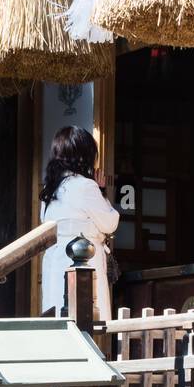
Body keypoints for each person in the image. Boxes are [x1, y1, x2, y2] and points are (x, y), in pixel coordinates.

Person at [39, 125, 119, 320]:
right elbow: (109, 223)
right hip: (82, 263)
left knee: (57, 314)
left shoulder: (50, 190)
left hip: (55, 259)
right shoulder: (85, 186)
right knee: (84, 317)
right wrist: (101, 191)